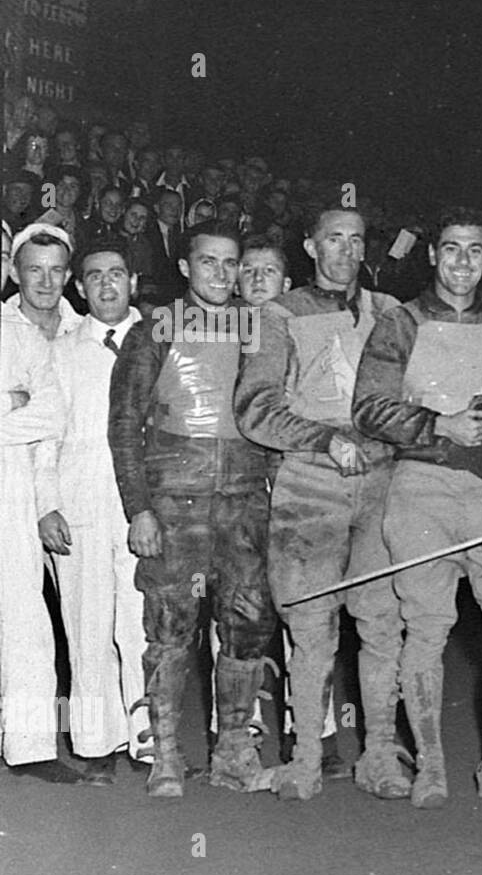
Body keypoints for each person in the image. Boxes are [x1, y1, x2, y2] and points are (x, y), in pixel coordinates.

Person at [352, 207, 482, 807]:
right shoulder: (401, 321)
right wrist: (438, 424)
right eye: (451, 249)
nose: (462, 261)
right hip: (422, 492)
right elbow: (369, 408)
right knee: (427, 626)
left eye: (474, 250)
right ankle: (431, 768)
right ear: (432, 255)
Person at [235, 210, 404, 801]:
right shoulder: (279, 314)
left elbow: (413, 396)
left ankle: (380, 755)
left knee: (381, 622)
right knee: (310, 628)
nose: (346, 251)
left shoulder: (390, 311)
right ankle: (305, 758)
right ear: (310, 246)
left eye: (357, 240)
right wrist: (324, 438)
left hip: (380, 482)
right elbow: (255, 408)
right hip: (309, 484)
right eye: (334, 239)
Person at [107, 220, 278, 798]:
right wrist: (139, 509)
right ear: (185, 266)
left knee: (247, 626)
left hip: (244, 503)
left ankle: (234, 752)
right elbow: (125, 425)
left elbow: (274, 416)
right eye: (209, 261)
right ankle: (167, 755)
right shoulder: (155, 328)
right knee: (170, 629)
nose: (221, 274)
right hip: (175, 503)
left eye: (231, 263)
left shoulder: (256, 328)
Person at [35, 236, 151, 785]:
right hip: (79, 504)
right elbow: (45, 437)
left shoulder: (158, 343)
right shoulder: (60, 350)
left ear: (134, 282)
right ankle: (95, 740)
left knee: (142, 624)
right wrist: (47, 505)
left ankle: (149, 741)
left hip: (142, 509)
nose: (108, 284)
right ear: (79, 288)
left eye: (117, 273)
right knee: (86, 626)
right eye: (96, 276)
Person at [0, 226, 78, 783]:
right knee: (19, 612)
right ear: (17, 273)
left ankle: (46, 743)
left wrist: (17, 406)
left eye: (55, 270)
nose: (45, 282)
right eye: (34, 269)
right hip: (12, 468)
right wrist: (11, 402)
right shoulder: (15, 328)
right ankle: (21, 742)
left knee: (43, 615)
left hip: (41, 482)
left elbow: (53, 413)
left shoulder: (47, 332)